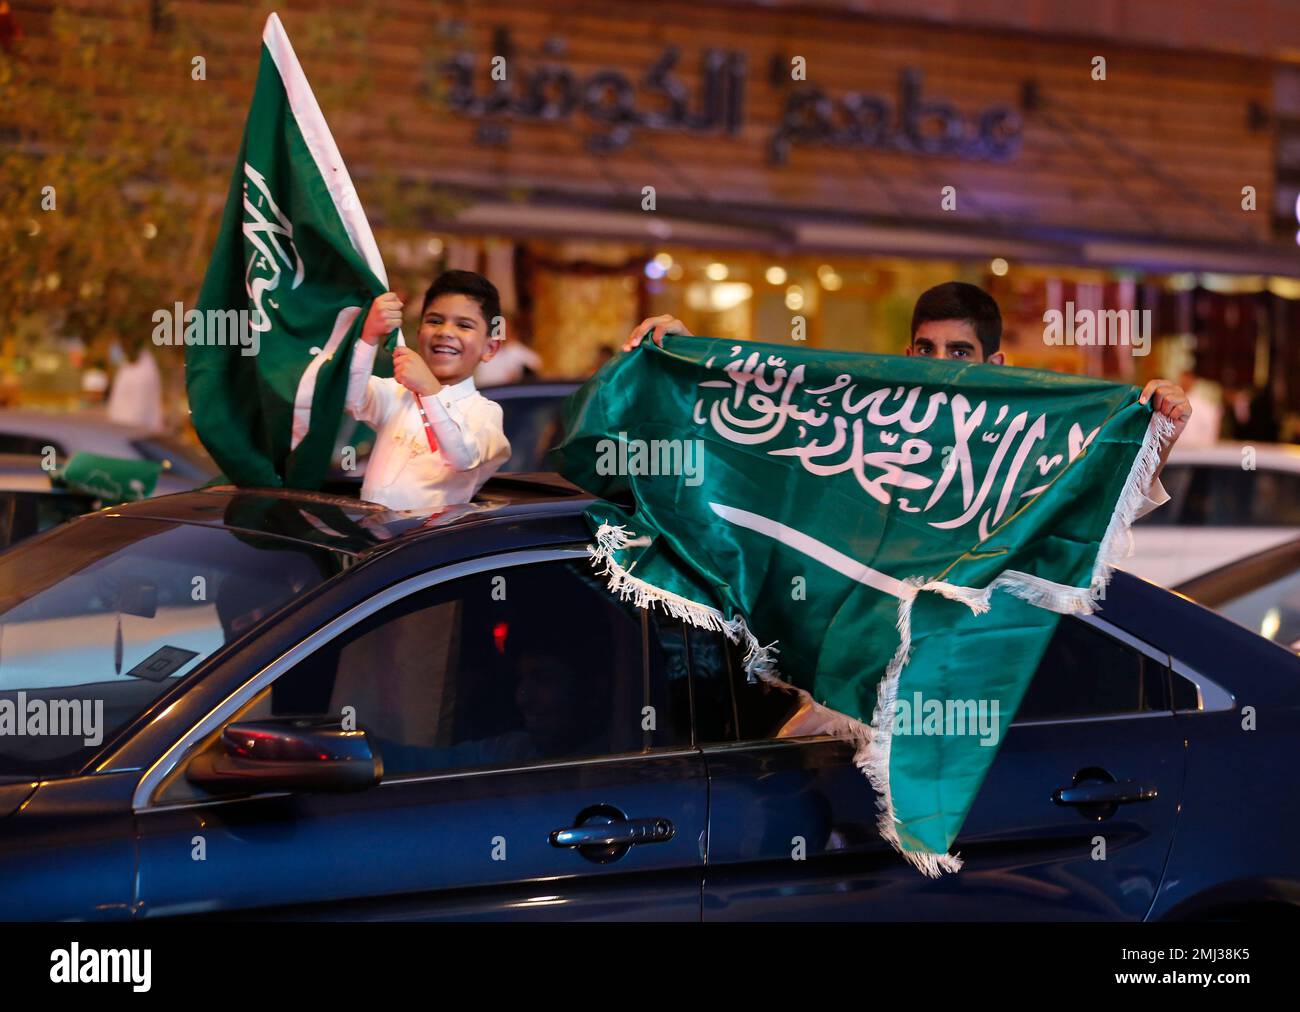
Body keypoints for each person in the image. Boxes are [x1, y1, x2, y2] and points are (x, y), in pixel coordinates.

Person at [625, 281, 1192, 512]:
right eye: (926, 351)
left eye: (959, 354)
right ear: (907, 352)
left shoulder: (1013, 449)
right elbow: (749, 449)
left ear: (994, 365)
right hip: (848, 701)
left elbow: (1095, 512)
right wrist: (681, 362)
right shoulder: (860, 426)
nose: (940, 368)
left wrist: (1158, 432)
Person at [347, 270, 511, 512]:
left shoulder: (486, 413)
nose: (445, 332)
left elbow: (463, 457)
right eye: (434, 321)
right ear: (419, 332)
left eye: (464, 325)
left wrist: (430, 390)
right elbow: (350, 397)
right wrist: (369, 336)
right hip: (372, 539)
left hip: (429, 545)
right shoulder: (396, 393)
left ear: (490, 348)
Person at [106, 337, 164, 433]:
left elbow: (142, 408)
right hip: (124, 427)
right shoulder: (126, 369)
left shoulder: (144, 371)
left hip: (135, 428)